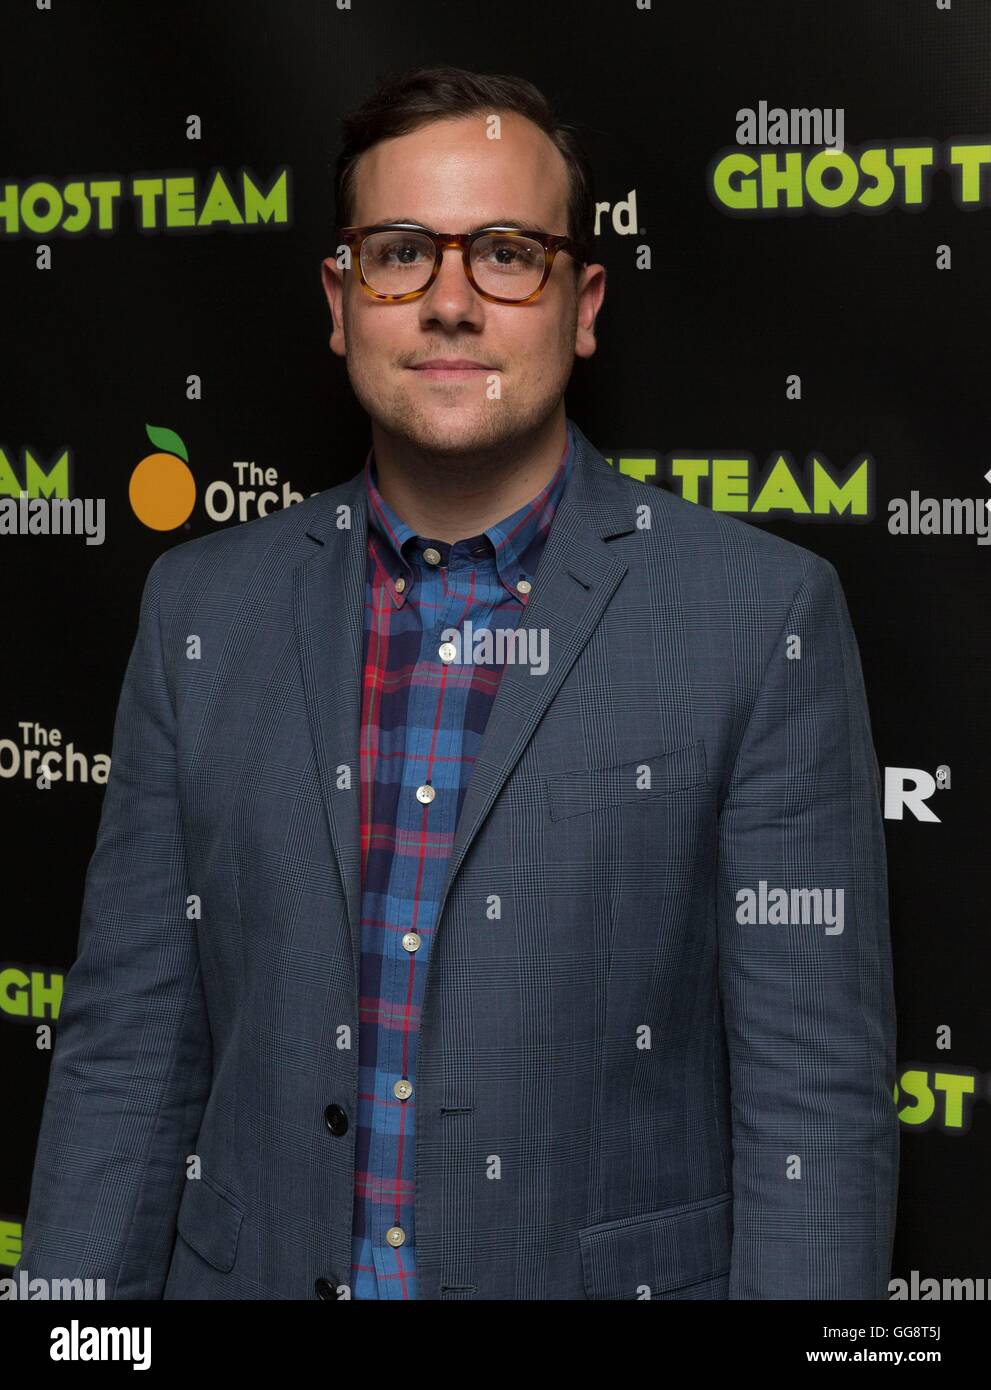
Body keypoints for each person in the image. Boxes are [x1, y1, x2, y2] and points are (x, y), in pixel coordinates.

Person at [15, 64, 898, 1301]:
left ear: (580, 304)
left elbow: (815, 1104)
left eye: (502, 252)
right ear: (340, 300)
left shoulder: (758, 618)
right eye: (396, 253)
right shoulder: (198, 612)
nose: (447, 303)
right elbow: (125, 1053)